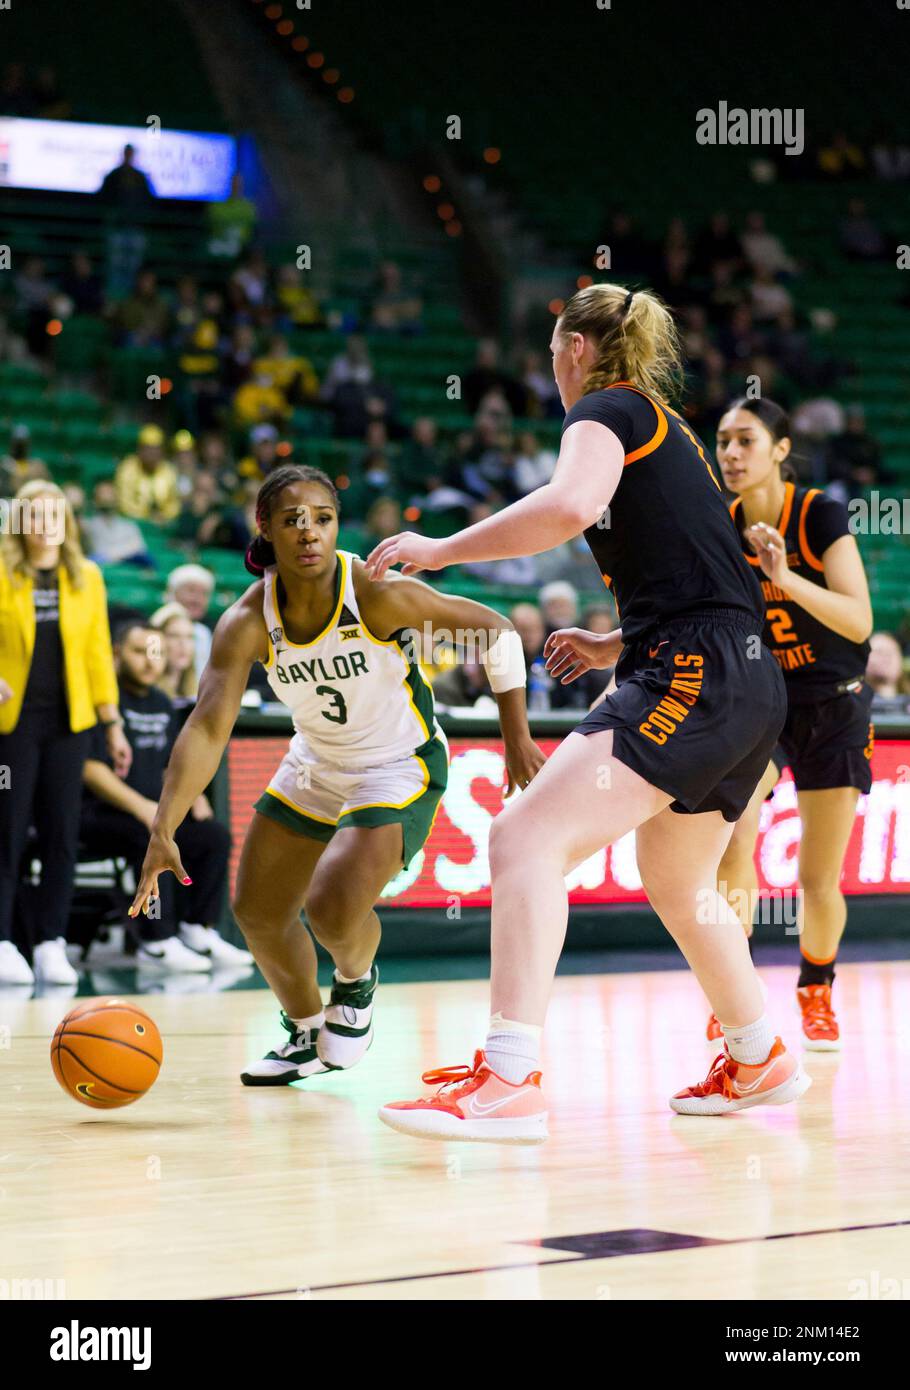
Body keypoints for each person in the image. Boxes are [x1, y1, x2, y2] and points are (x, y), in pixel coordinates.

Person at [367, 282, 807, 1143]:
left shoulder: (605, 407)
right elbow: (699, 568)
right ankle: (758, 1053)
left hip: (695, 670)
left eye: (550, 351)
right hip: (740, 678)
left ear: (573, 348)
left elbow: (568, 507)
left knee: (524, 838)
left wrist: (443, 551)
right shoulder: (667, 422)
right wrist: (616, 643)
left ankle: (508, 1079)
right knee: (680, 882)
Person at [127, 464, 543, 1084]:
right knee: (258, 914)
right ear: (264, 529)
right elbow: (208, 727)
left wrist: (516, 737)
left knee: (330, 908)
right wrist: (165, 824)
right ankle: (303, 1032)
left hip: (398, 764)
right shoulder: (246, 621)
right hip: (316, 762)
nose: (309, 533)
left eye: (323, 518)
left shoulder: (376, 592)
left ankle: (356, 982)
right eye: (292, 521)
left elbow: (499, 633)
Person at [714, 398, 874, 1050]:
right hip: (765, 702)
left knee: (817, 876)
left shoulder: (818, 514)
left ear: (781, 448)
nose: (730, 452)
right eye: (722, 440)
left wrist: (785, 577)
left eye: (745, 439)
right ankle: (735, 990)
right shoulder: (720, 526)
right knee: (733, 838)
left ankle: (816, 986)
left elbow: (859, 622)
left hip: (836, 703)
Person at [0, 480, 129, 985]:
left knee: (61, 831)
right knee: (7, 829)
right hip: (13, 725)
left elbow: (98, 651)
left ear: (67, 524)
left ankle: (52, 941)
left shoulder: (87, 577)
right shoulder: (4, 571)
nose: (45, 522)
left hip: (69, 724)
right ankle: (5, 940)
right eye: (34, 513)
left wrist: (112, 723)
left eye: (55, 513)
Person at [80, 622, 247, 971]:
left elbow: (171, 764)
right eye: (139, 652)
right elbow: (91, 770)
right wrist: (144, 809)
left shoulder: (161, 702)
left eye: (155, 652)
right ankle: (157, 941)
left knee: (211, 836)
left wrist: (192, 796)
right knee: (151, 836)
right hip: (100, 814)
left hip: (152, 813)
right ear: (116, 655)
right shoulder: (104, 703)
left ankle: (198, 929)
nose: (149, 662)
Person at [115, 425, 180, 523]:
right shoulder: (127, 468)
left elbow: (174, 504)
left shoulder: (168, 470)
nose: (152, 454)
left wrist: (165, 516)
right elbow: (124, 504)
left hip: (162, 524)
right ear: (140, 450)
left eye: (155, 449)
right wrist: (147, 517)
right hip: (133, 523)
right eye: (148, 449)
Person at [163, 564, 216, 674]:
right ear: (173, 593)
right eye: (191, 591)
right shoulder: (157, 628)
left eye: (204, 594)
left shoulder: (210, 632)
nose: (197, 600)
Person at [149, 602, 199, 701]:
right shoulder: (148, 691)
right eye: (174, 636)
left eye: (189, 637)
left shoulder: (198, 691)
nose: (183, 644)